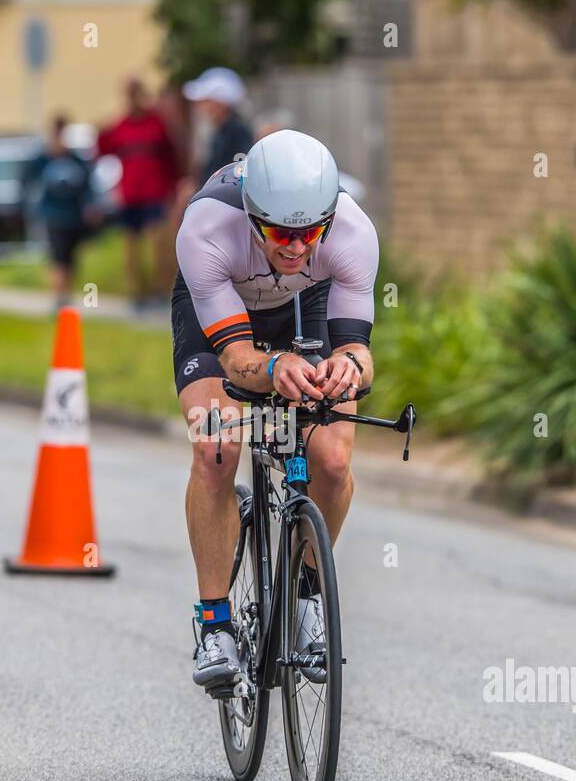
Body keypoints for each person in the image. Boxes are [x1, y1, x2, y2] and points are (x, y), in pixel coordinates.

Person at [172, 130, 378, 694]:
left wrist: (349, 370)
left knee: (332, 460)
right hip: (221, 316)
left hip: (303, 307)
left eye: (311, 232)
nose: (295, 247)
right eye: (281, 233)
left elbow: (358, 350)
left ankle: (307, 593)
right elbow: (238, 360)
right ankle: (214, 624)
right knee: (217, 447)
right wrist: (273, 368)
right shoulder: (207, 227)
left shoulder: (354, 234)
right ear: (252, 216)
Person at [97, 77, 178, 311]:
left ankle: (160, 290)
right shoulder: (120, 126)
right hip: (130, 194)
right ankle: (136, 292)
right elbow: (102, 148)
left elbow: (170, 157)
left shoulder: (157, 123)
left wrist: (172, 188)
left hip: (155, 192)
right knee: (131, 246)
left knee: (158, 243)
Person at [23, 114, 99, 310]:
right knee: (58, 257)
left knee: (71, 258)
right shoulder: (42, 159)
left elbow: (88, 185)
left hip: (73, 216)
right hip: (53, 216)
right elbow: (26, 179)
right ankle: (59, 298)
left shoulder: (76, 159)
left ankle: (67, 295)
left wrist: (90, 207)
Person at [182, 68, 253, 187]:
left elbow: (237, 178)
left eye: (205, 101)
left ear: (220, 103)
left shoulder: (237, 132)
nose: (199, 107)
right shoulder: (222, 132)